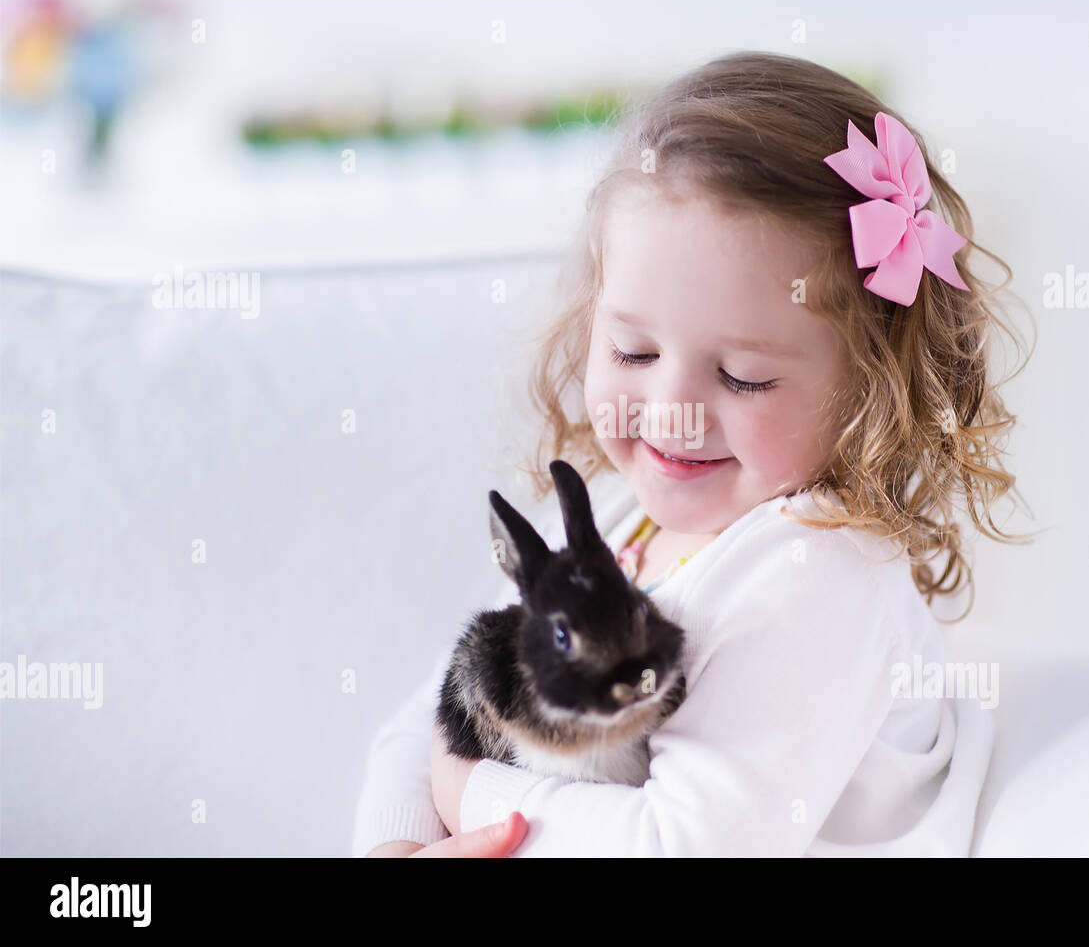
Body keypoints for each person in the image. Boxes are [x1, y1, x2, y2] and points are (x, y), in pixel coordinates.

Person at [354, 50, 1031, 857]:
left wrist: (472, 794)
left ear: (869, 390)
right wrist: (394, 847)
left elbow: (680, 845)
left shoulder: (817, 571)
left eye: (743, 377)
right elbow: (435, 712)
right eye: (635, 353)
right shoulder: (608, 515)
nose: (671, 413)